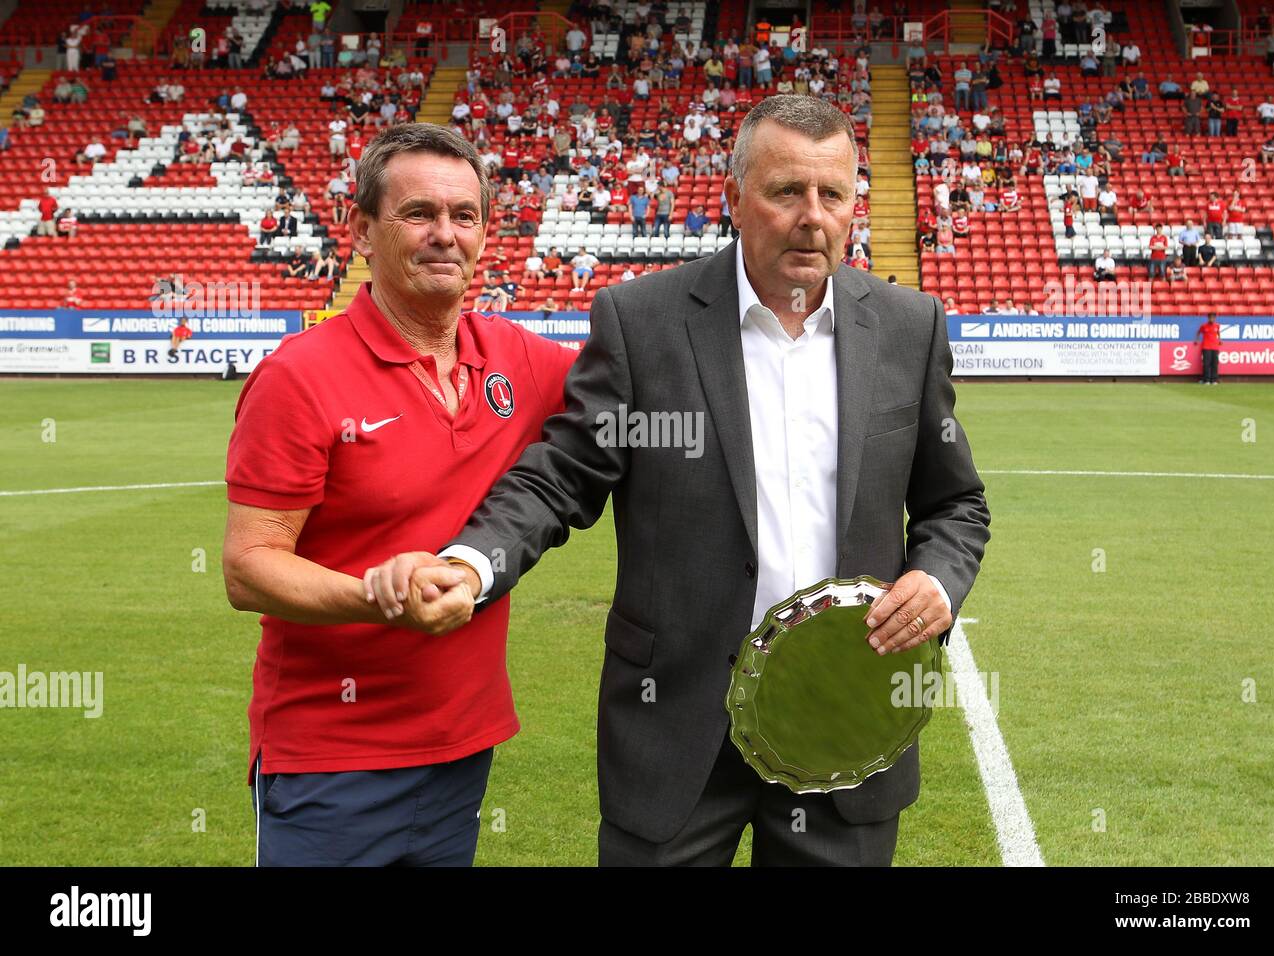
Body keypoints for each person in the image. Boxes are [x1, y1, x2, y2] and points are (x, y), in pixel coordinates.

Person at [364, 95, 990, 867]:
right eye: (786, 191)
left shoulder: (909, 326)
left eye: (834, 195)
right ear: (733, 197)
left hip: (842, 709)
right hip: (677, 723)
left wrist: (936, 575)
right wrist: (471, 561)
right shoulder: (643, 321)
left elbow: (955, 502)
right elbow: (563, 473)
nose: (813, 216)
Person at [222, 123, 577, 868]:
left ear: (485, 234)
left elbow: (640, 381)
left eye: (464, 216)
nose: (444, 234)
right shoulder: (298, 376)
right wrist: (373, 594)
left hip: (463, 746)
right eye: (419, 213)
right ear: (361, 230)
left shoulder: (518, 359)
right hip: (330, 758)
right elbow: (248, 566)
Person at [1195, 313, 1221, 384]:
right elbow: (1198, 332)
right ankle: (1206, 380)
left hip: (1215, 347)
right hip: (1206, 347)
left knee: (1215, 364)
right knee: (1206, 364)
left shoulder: (1217, 326)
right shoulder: (1204, 326)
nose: (1211, 319)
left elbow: (1218, 333)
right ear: (1208, 318)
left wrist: (1220, 340)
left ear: (1215, 318)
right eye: (1210, 318)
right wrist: (1196, 340)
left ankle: (1214, 380)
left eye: (1213, 318)